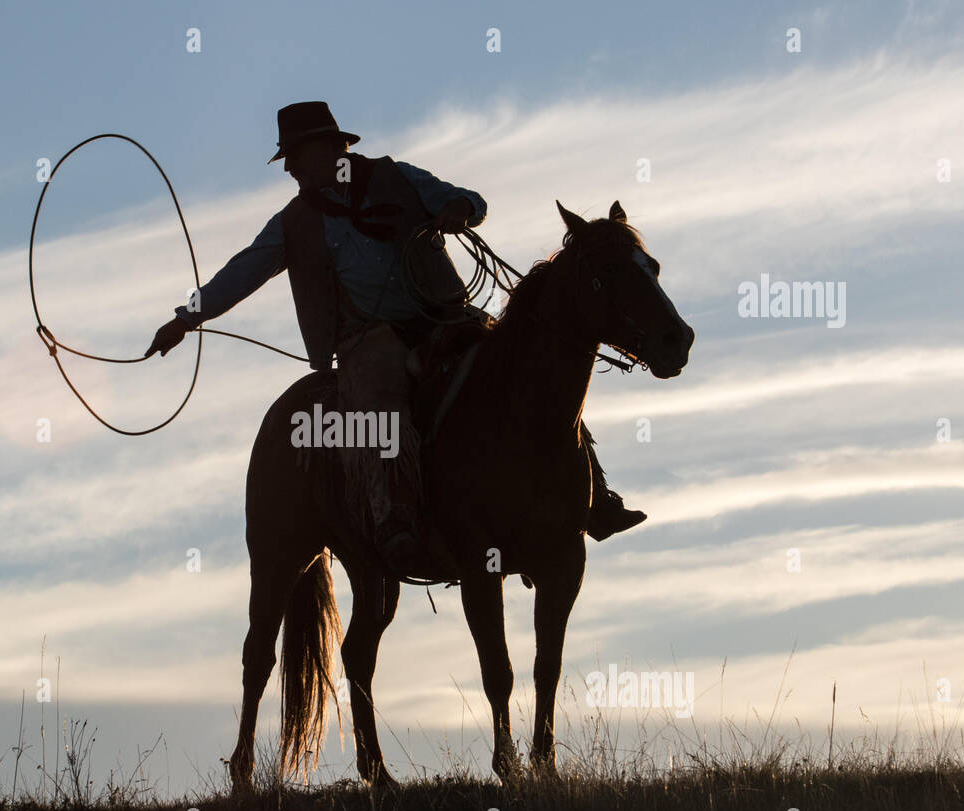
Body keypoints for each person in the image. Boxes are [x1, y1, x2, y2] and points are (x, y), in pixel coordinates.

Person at [146, 102, 645, 568]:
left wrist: (457, 209)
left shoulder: (397, 177)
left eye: (293, 157)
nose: (290, 170)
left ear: (327, 150)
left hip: (444, 316)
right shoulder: (295, 222)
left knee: (530, 369)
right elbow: (245, 270)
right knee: (379, 403)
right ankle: (394, 517)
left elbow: (469, 199)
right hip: (368, 337)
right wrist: (188, 317)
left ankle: (594, 496)